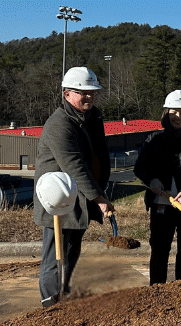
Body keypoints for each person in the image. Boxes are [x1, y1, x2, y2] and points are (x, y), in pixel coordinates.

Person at [32, 66, 112, 309]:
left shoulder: (90, 118)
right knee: (55, 258)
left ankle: (65, 298)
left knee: (71, 253)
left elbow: (97, 156)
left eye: (92, 92)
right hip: (58, 199)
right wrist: (99, 197)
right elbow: (74, 166)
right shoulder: (59, 124)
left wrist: (97, 192)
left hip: (80, 199)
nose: (89, 96)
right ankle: (51, 305)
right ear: (67, 94)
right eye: (82, 92)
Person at [133, 90, 181, 285]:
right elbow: (140, 168)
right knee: (159, 248)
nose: (178, 117)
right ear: (166, 113)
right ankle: (157, 290)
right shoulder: (154, 140)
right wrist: (152, 180)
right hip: (162, 203)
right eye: (174, 112)